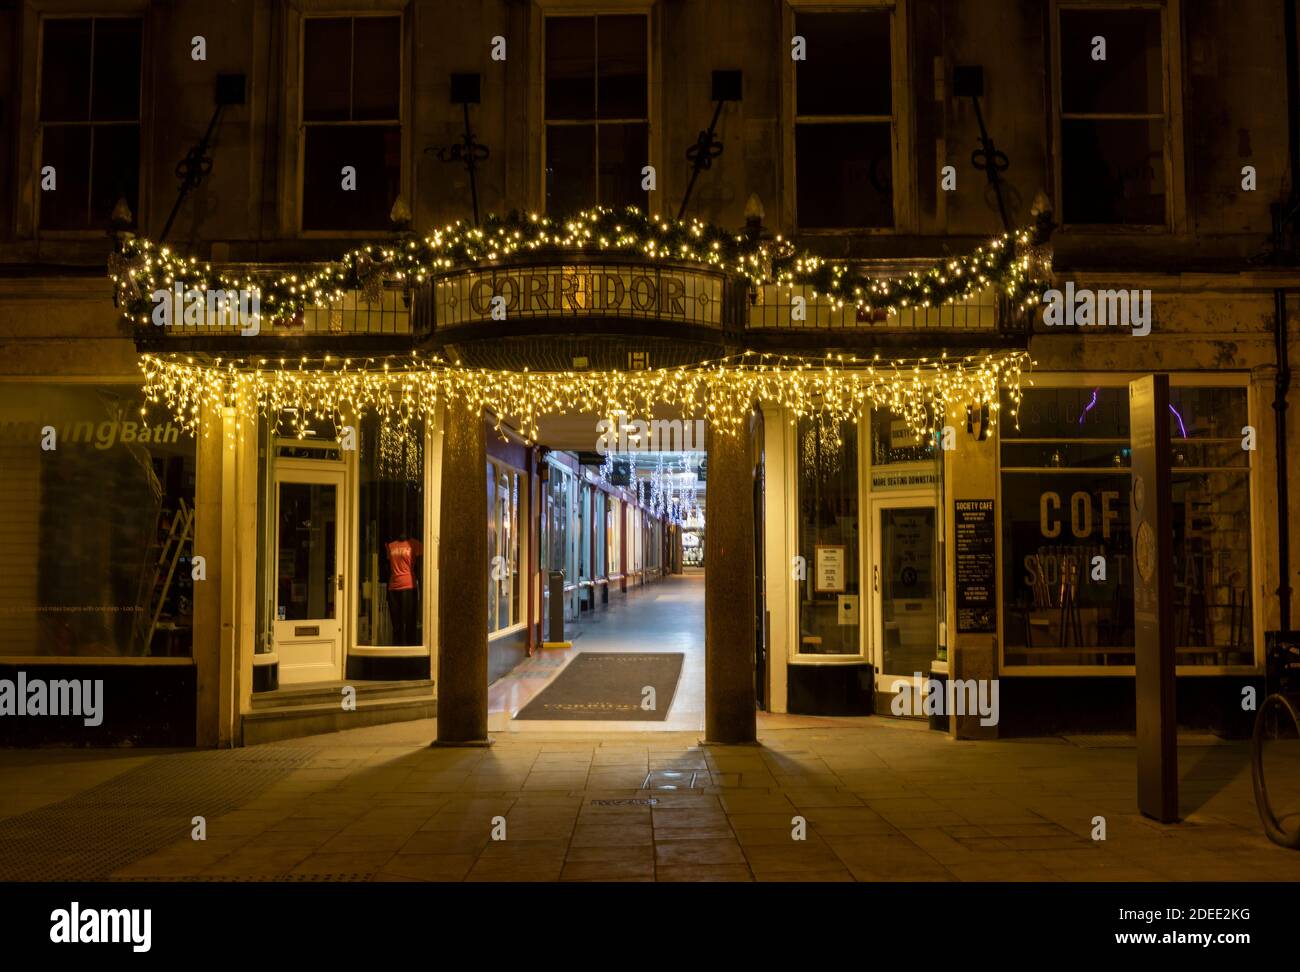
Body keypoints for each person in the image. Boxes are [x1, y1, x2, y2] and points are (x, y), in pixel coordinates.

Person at [386, 528, 423, 645]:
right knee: (396, 624)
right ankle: (396, 651)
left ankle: (411, 650)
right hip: (393, 587)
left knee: (409, 622)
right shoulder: (391, 545)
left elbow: (422, 564)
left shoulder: (415, 544)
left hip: (409, 586)